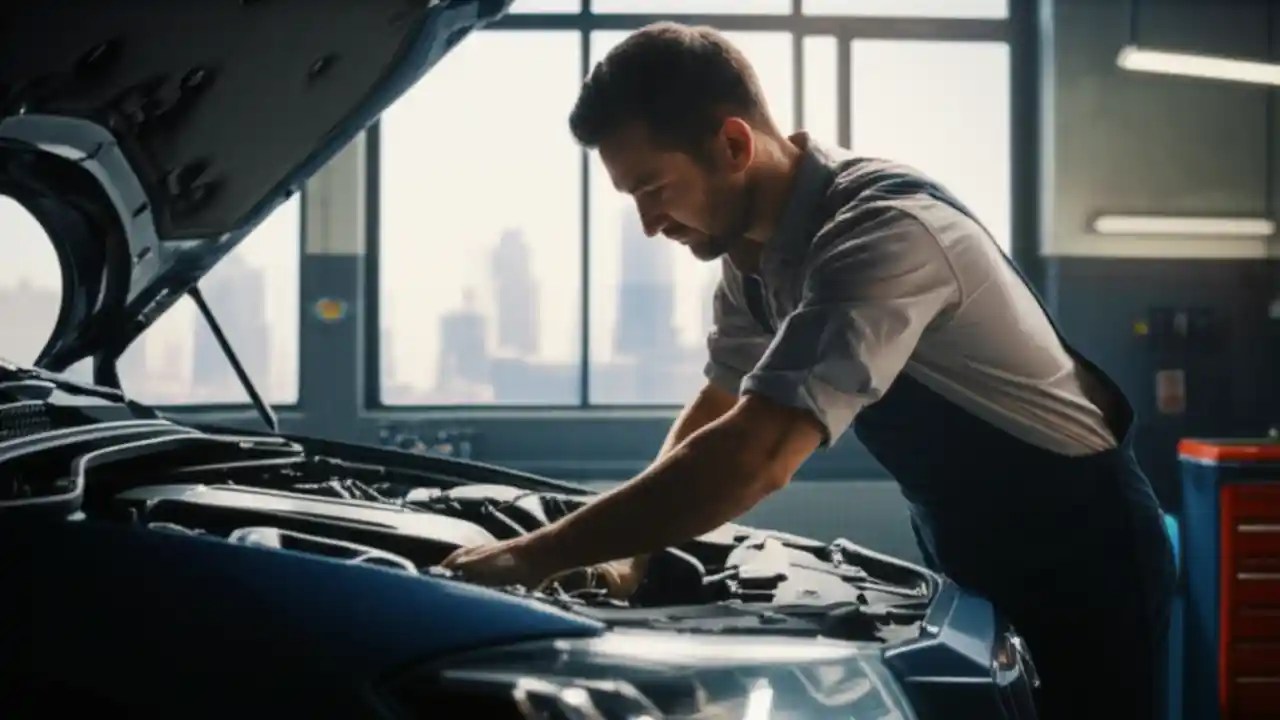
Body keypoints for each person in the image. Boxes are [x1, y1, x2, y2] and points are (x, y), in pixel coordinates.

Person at [442, 21, 1175, 720]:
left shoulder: (883, 233)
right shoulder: (750, 259)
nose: (648, 223)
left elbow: (754, 455)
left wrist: (529, 557)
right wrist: (631, 558)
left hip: (1085, 552)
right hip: (967, 542)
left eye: (653, 189)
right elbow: (721, 404)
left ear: (733, 144)